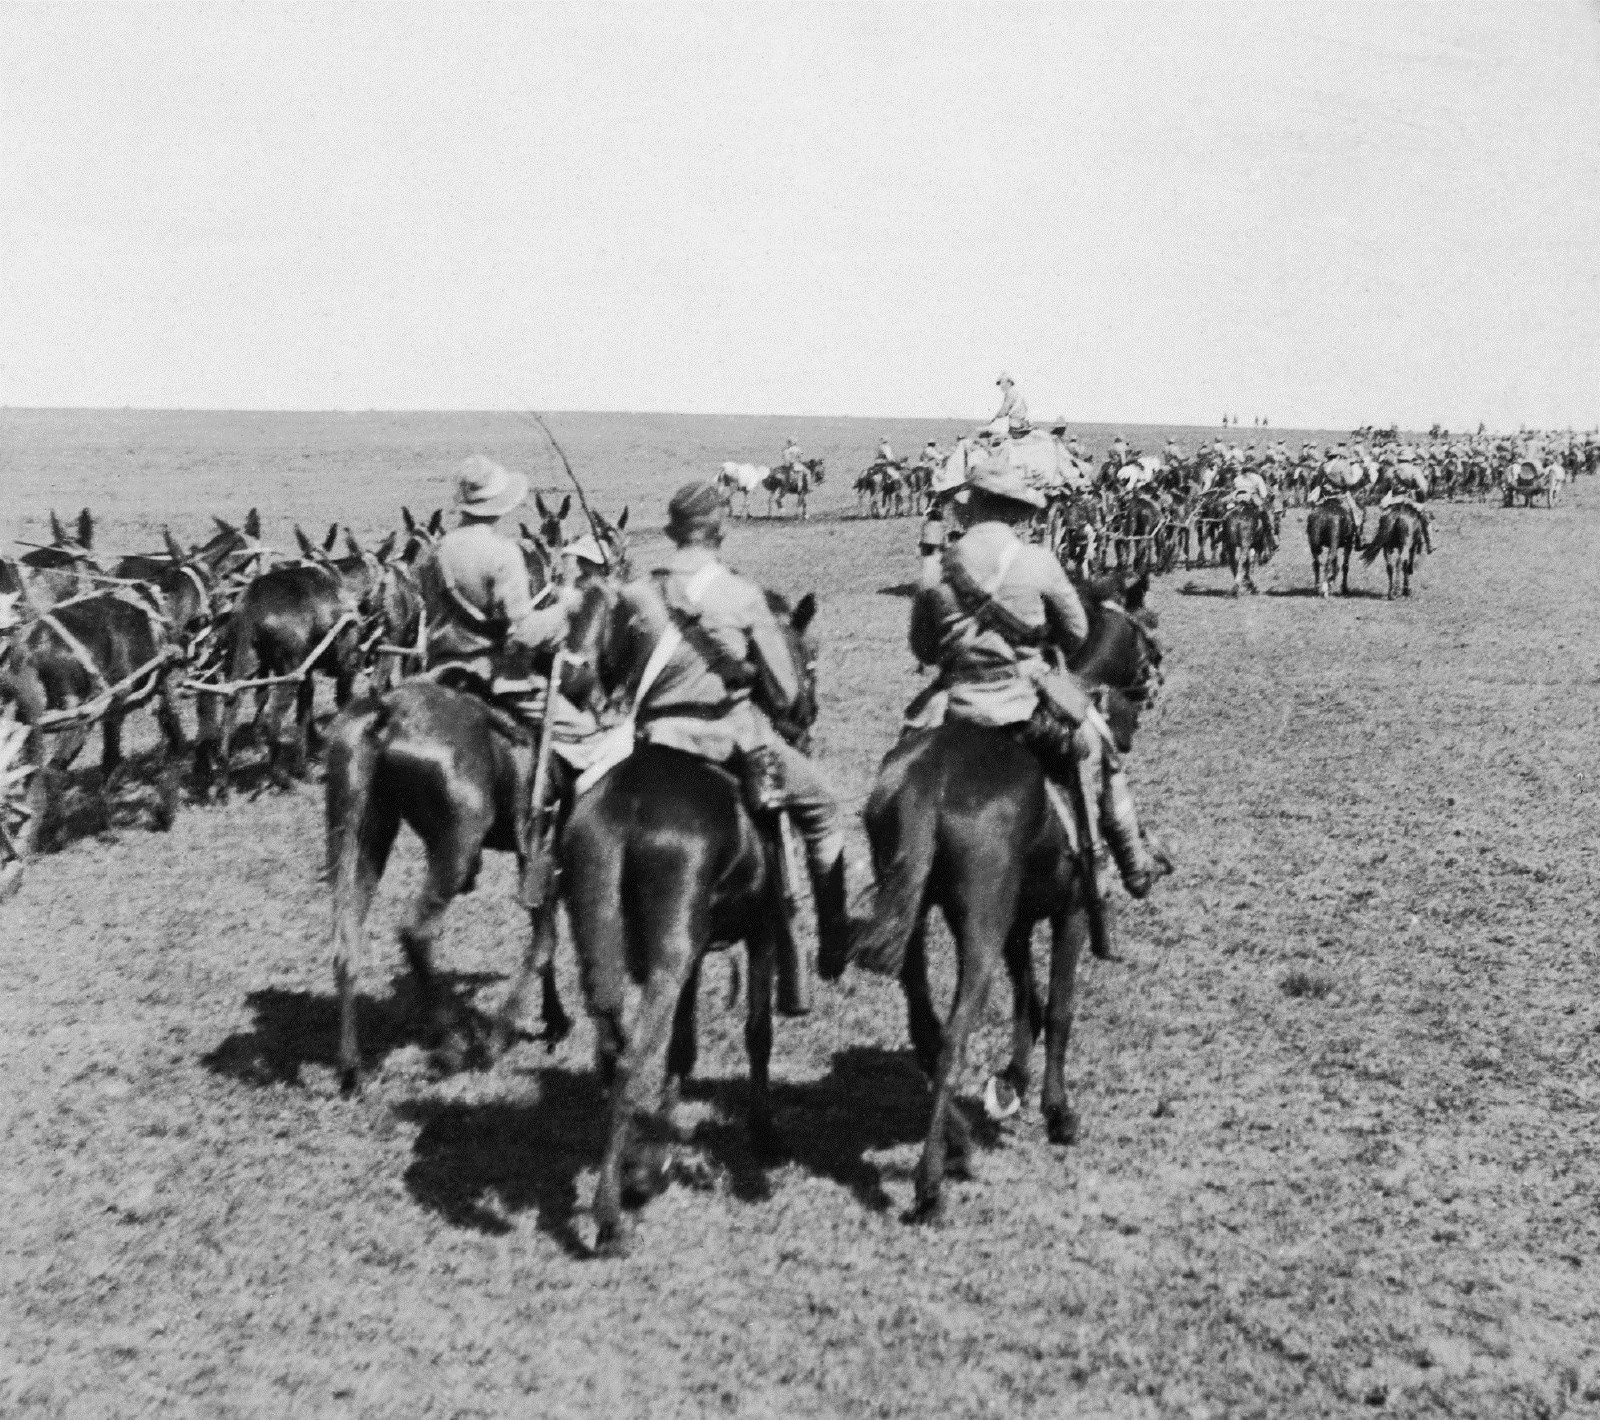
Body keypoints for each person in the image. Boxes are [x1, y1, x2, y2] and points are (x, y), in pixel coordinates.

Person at [617, 481, 855, 971]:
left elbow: (613, 674)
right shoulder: (743, 595)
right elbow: (788, 694)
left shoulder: (636, 592)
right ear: (719, 528)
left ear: (673, 530)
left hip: (653, 739)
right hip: (730, 738)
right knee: (824, 812)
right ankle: (834, 937)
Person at [908, 464, 1168, 900]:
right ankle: (1128, 863)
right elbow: (1078, 632)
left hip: (952, 704)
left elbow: (924, 650)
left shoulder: (937, 568)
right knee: (1097, 746)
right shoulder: (1036, 560)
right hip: (1021, 702)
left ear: (968, 509)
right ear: (1020, 514)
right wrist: (1039, 649)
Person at [418, 455, 569, 681]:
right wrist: (564, 610)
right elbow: (522, 632)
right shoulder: (504, 552)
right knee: (579, 718)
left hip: (438, 668)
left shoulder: (434, 553)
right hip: (488, 671)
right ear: (500, 504)